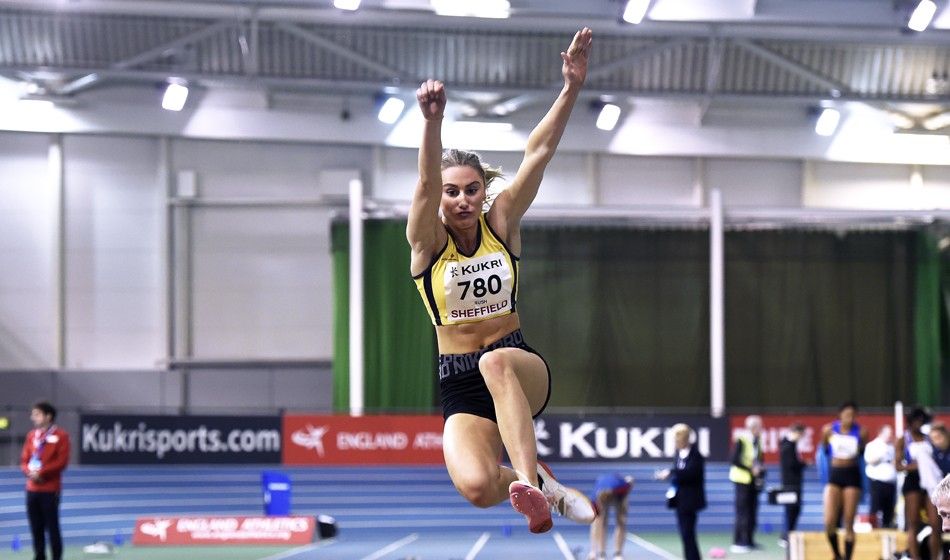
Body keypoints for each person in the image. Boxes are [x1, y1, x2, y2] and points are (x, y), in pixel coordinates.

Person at [407, 27, 596, 534]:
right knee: (475, 485)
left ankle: (530, 481)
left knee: (494, 361)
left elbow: (538, 153)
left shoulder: (501, 225)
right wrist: (432, 122)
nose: (463, 200)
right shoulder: (427, 245)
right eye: (452, 192)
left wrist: (571, 88)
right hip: (459, 381)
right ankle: (543, 485)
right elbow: (424, 182)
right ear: (441, 197)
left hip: (517, 365)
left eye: (472, 190)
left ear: (483, 192)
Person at [19, 401, 70, 560]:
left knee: (52, 528)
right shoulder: (31, 435)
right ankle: (39, 556)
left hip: (50, 489)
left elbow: (61, 462)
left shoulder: (61, 436)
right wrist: (29, 472)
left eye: (37, 414)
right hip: (32, 489)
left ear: (48, 416)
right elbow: (24, 460)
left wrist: (41, 472)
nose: (33, 417)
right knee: (36, 528)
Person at [821, 401, 868, 560]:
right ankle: (836, 554)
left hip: (852, 476)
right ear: (840, 415)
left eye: (853, 415)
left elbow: (861, 453)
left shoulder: (862, 432)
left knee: (849, 521)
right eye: (847, 414)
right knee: (829, 522)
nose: (850, 418)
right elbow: (825, 451)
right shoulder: (828, 430)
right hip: (835, 475)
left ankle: (848, 557)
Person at [896, 406, 941, 560]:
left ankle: (935, 557)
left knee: (935, 524)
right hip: (913, 481)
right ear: (910, 422)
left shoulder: (929, 438)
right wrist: (916, 466)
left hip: (930, 482)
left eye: (921, 421)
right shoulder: (904, 439)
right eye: (916, 421)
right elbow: (897, 465)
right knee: (913, 523)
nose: (918, 424)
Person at [657, 423, 706, 560]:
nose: (674, 443)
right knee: (684, 533)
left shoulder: (696, 455)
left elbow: (691, 473)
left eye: (676, 440)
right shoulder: (678, 454)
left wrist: (672, 472)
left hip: (690, 500)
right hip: (680, 499)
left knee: (688, 532)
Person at [729, 415, 764, 553]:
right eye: (760, 426)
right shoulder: (741, 440)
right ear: (753, 427)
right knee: (742, 511)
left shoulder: (758, 440)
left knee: (753, 511)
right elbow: (733, 459)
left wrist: (760, 469)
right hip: (741, 480)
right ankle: (739, 541)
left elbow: (759, 458)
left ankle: (749, 540)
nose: (762, 429)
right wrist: (750, 469)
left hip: (753, 481)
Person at [587, 473, 633, 560]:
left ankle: (618, 553)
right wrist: (592, 551)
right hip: (602, 494)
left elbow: (630, 479)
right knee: (599, 522)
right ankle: (601, 552)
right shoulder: (595, 497)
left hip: (619, 496)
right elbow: (595, 523)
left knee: (621, 521)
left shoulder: (622, 487)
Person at [779, 422, 808, 547]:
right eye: (801, 434)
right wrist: (803, 464)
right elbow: (791, 465)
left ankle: (788, 534)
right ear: (797, 432)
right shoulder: (787, 446)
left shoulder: (790, 445)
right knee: (790, 510)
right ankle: (786, 536)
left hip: (793, 484)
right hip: (790, 485)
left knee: (794, 509)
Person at [864, 424, 897, 528]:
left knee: (889, 508)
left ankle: (887, 526)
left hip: (890, 483)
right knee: (875, 507)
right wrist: (881, 455)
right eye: (888, 433)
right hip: (877, 481)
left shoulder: (892, 447)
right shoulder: (873, 445)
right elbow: (869, 460)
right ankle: (873, 528)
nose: (890, 436)